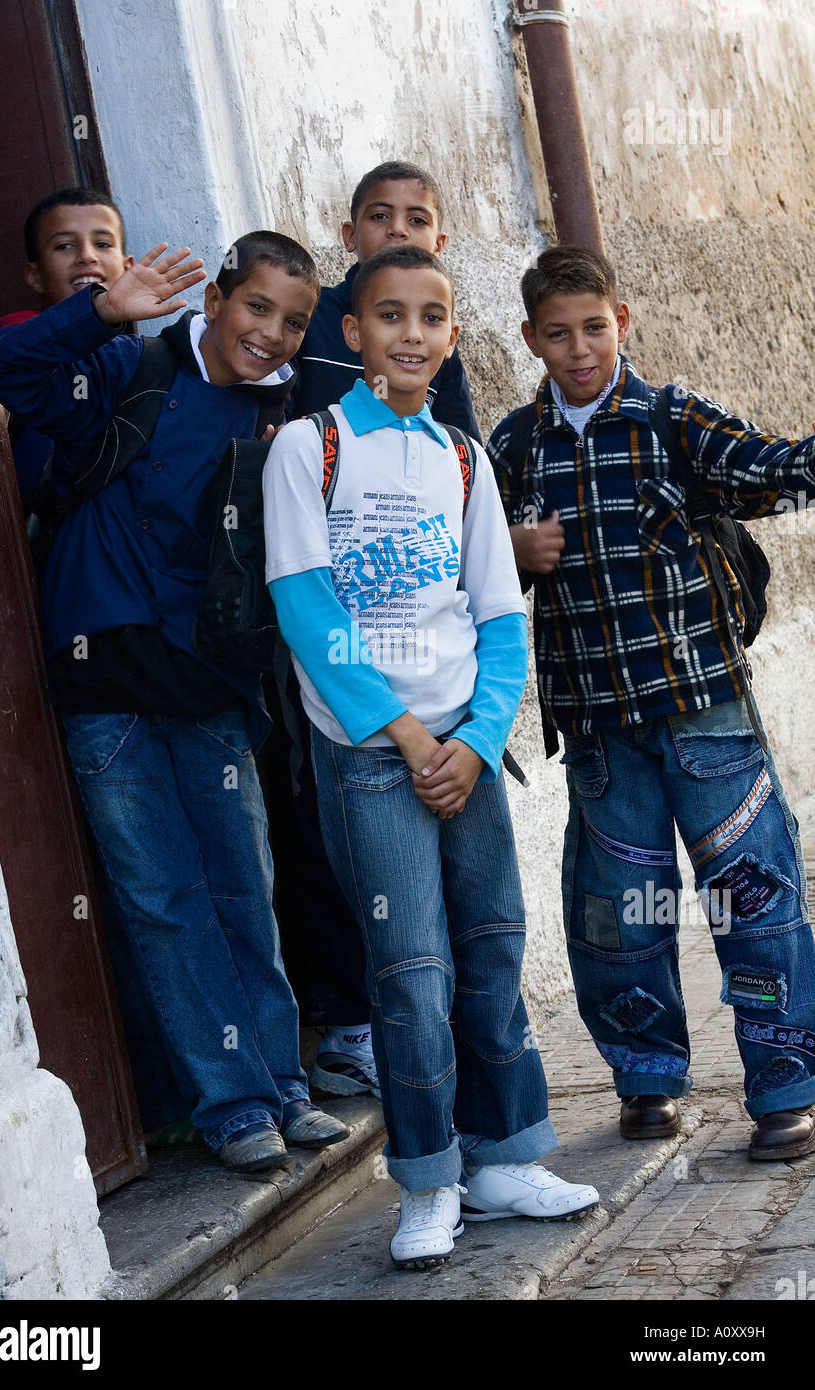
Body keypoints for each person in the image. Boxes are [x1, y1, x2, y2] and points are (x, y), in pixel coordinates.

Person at [0, 231, 348, 1173]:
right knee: (162, 900)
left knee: (242, 889)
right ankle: (232, 1109)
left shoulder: (297, 418)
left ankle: (284, 1085)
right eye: (256, 307)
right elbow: (3, 367)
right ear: (219, 297)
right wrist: (102, 310)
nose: (269, 334)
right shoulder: (129, 361)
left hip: (215, 688)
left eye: (293, 321)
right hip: (106, 680)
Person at [263, 244, 599, 1268]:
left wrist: (476, 738)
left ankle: (504, 1156)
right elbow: (306, 608)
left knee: (491, 952)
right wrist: (410, 739)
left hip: (466, 749)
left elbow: (499, 615)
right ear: (352, 333)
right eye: (389, 316)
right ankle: (429, 1176)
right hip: (372, 758)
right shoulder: (307, 448)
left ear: (451, 336)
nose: (412, 334)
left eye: (432, 316)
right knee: (410, 974)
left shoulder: (461, 458)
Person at [487, 243, 815, 1161]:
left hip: (705, 711)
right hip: (595, 728)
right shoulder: (513, 447)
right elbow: (467, 557)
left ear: (620, 321)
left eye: (595, 327)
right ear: (531, 339)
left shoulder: (673, 421)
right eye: (559, 334)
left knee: (753, 900)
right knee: (619, 914)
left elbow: (776, 469)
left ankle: (785, 1086)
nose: (580, 348)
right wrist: (511, 550)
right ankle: (646, 1081)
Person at [266, 160, 481, 1099]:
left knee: (482, 930)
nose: (411, 336)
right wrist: (396, 724)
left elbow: (465, 511)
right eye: (379, 216)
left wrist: (474, 729)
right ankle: (353, 1026)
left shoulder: (443, 388)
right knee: (354, 877)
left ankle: (501, 1130)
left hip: (448, 698)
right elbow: (306, 585)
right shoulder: (309, 360)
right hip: (345, 682)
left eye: (420, 217)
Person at [0, 187, 133, 504]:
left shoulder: (145, 360)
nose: (87, 256)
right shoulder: (12, 341)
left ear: (128, 266)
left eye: (103, 244)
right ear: (35, 275)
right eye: (65, 245)